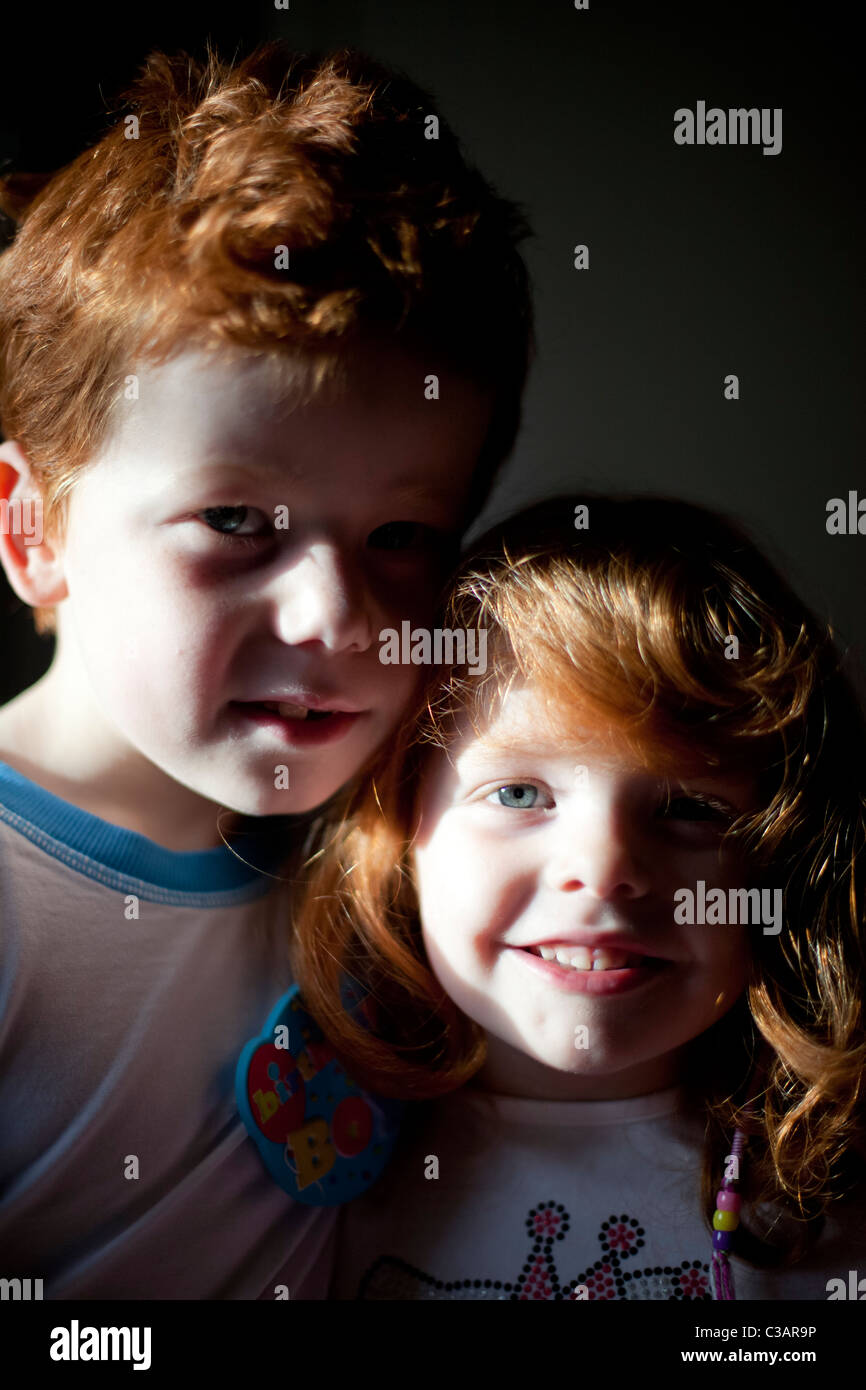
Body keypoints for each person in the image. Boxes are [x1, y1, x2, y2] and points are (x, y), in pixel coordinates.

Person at [0, 41, 533, 1297]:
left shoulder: (414, 839)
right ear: (34, 531)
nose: (339, 615)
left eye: (401, 536)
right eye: (237, 523)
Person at [291, 495, 866, 1300]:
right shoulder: (303, 1165)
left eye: (692, 808)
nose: (603, 870)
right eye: (521, 794)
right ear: (396, 818)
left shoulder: (831, 1204)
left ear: (784, 864)